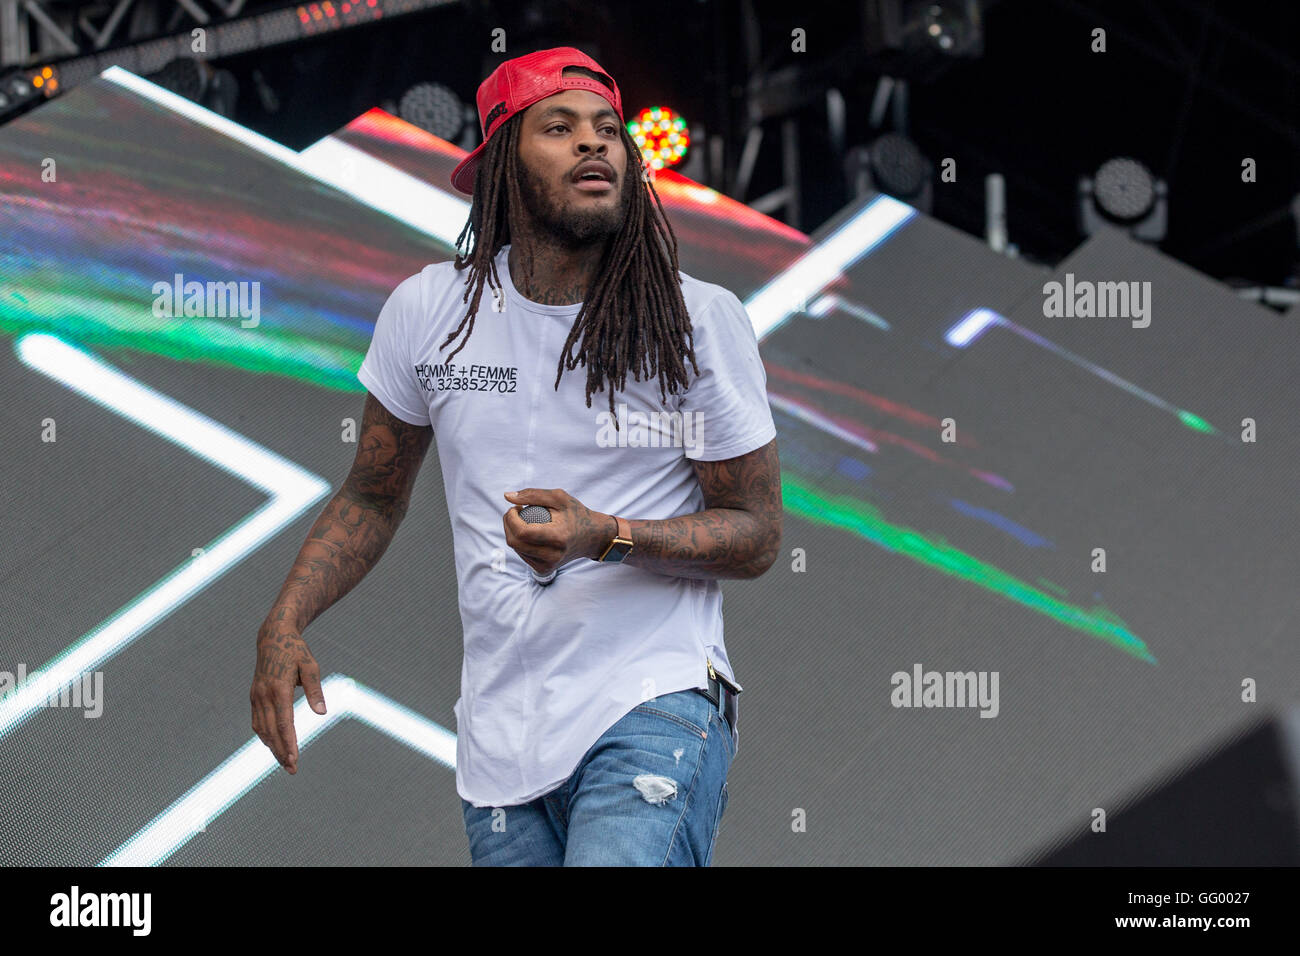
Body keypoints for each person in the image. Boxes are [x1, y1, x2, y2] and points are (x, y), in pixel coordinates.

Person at [250, 46, 782, 866]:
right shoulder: (432, 312)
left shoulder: (695, 321)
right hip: (501, 751)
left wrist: (602, 533)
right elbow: (372, 495)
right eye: (559, 127)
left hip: (652, 701)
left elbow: (755, 534)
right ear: (501, 161)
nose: (594, 144)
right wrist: (284, 621)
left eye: (608, 130)